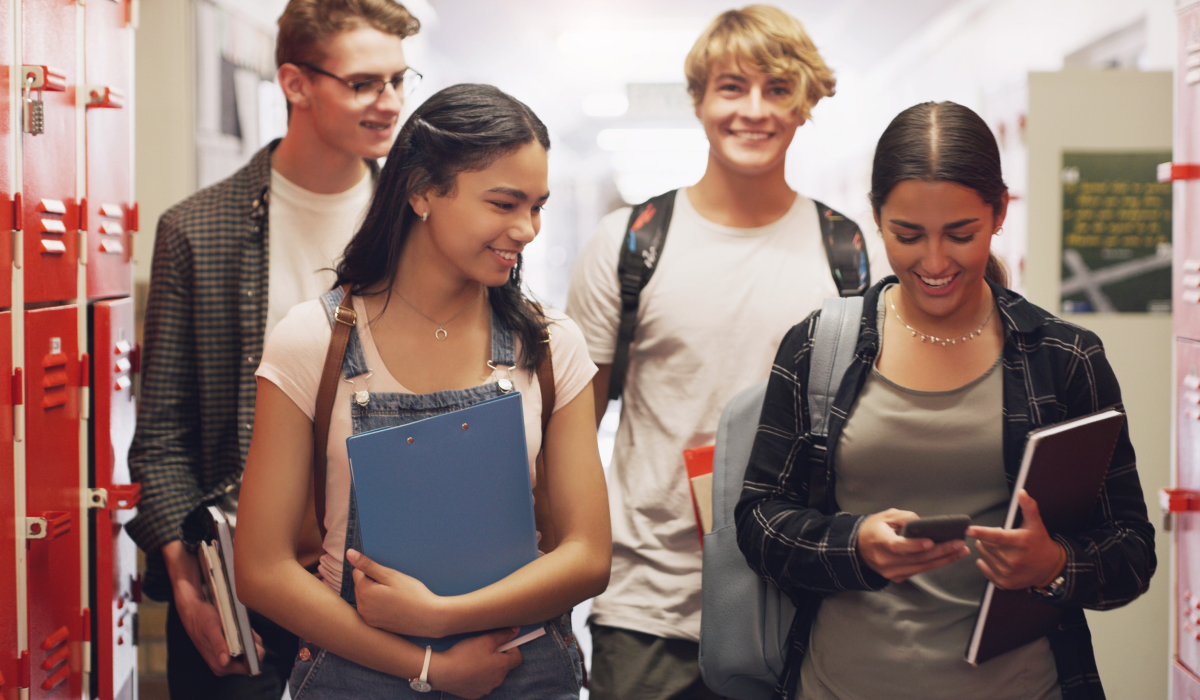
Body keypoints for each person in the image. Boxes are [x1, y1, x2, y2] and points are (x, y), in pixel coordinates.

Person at [736, 101, 1156, 700]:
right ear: (877, 217)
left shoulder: (1065, 358)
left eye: (961, 234)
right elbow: (757, 521)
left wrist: (1056, 565)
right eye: (907, 235)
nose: (934, 263)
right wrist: (852, 545)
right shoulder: (817, 346)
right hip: (838, 684)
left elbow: (1132, 550)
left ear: (1000, 212)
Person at [234, 83, 611, 700]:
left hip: (518, 667)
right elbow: (262, 568)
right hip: (354, 670)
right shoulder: (314, 340)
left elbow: (588, 556)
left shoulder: (547, 346)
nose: (527, 229)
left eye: (537, 206)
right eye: (504, 203)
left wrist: (440, 619)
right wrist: (429, 666)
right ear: (421, 191)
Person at [566, 6, 883, 699]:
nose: (754, 110)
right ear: (700, 100)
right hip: (649, 606)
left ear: (806, 103)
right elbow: (571, 436)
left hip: (798, 601)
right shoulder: (631, 244)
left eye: (777, 89)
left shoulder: (848, 253)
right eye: (732, 87)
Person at [126, 1, 420, 697]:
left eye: (400, 81)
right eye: (364, 84)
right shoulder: (198, 230)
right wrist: (186, 583)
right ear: (295, 84)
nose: (391, 103)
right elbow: (162, 439)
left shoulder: (415, 228)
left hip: (383, 576)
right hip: (239, 589)